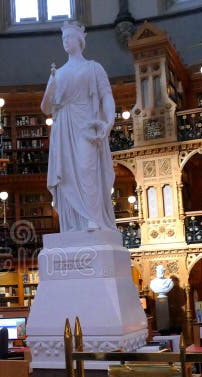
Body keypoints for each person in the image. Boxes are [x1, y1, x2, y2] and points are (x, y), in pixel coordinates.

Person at [40, 21, 117, 233]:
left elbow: (106, 97)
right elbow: (46, 108)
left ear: (80, 40)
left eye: (69, 37)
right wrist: (50, 89)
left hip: (85, 125)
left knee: (87, 169)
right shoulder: (58, 72)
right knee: (65, 174)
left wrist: (109, 121)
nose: (65, 42)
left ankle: (93, 219)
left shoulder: (93, 68)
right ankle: (72, 225)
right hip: (63, 127)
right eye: (63, 38)